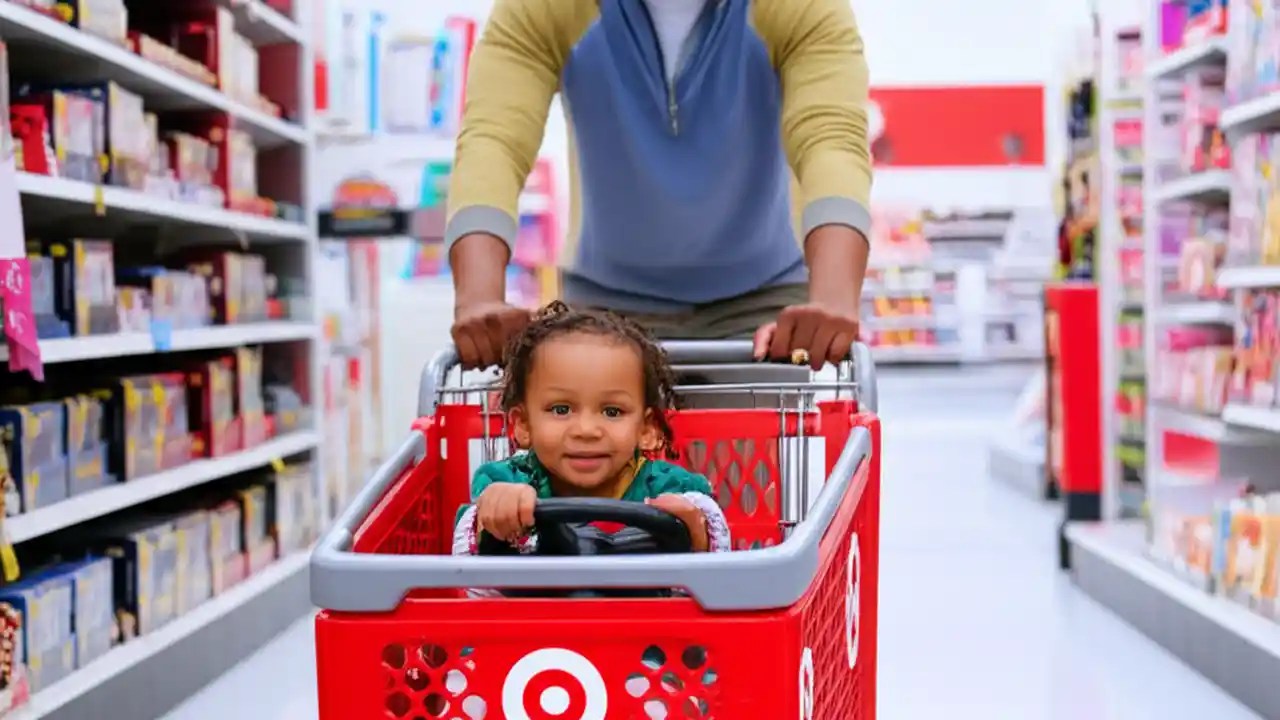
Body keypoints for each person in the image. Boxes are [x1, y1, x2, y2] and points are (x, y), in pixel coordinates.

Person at [445, 0, 873, 371]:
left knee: (741, 462)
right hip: (605, 308)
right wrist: (479, 299)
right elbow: (494, 140)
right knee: (602, 460)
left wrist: (833, 297)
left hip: (761, 307)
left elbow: (831, 138)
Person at [452, 302, 731, 556]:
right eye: (561, 409)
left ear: (647, 429)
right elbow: (474, 585)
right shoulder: (508, 480)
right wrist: (493, 518)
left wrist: (697, 533)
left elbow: (714, 567)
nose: (586, 430)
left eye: (612, 412)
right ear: (523, 425)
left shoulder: (666, 486)